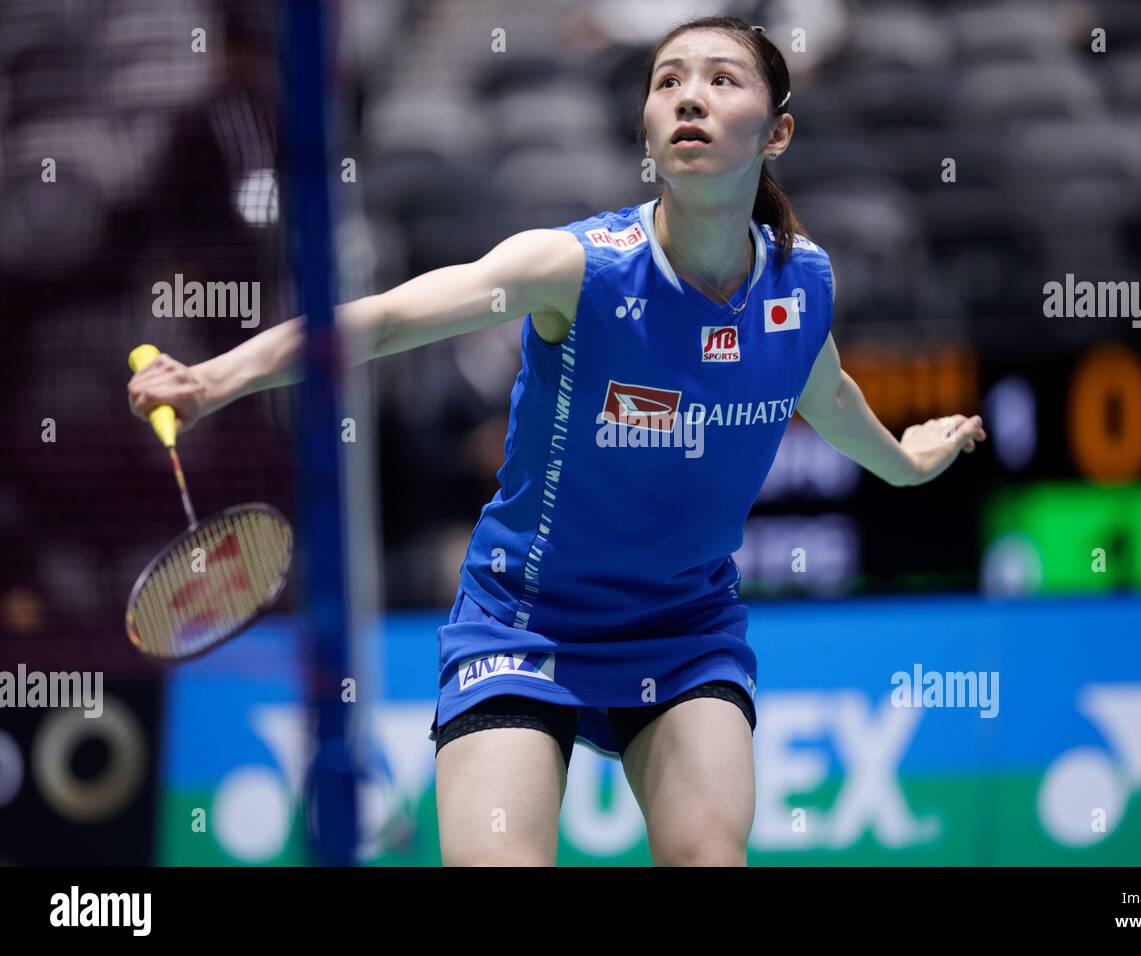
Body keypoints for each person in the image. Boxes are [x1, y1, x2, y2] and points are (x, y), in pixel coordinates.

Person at [127, 15, 986, 867]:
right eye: (668, 81)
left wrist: (907, 463)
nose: (690, 96)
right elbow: (384, 322)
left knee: (709, 857)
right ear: (647, 125)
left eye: (723, 80)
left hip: (684, 627)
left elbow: (828, 393)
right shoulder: (582, 269)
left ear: (778, 130)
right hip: (521, 622)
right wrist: (212, 381)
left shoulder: (803, 283)